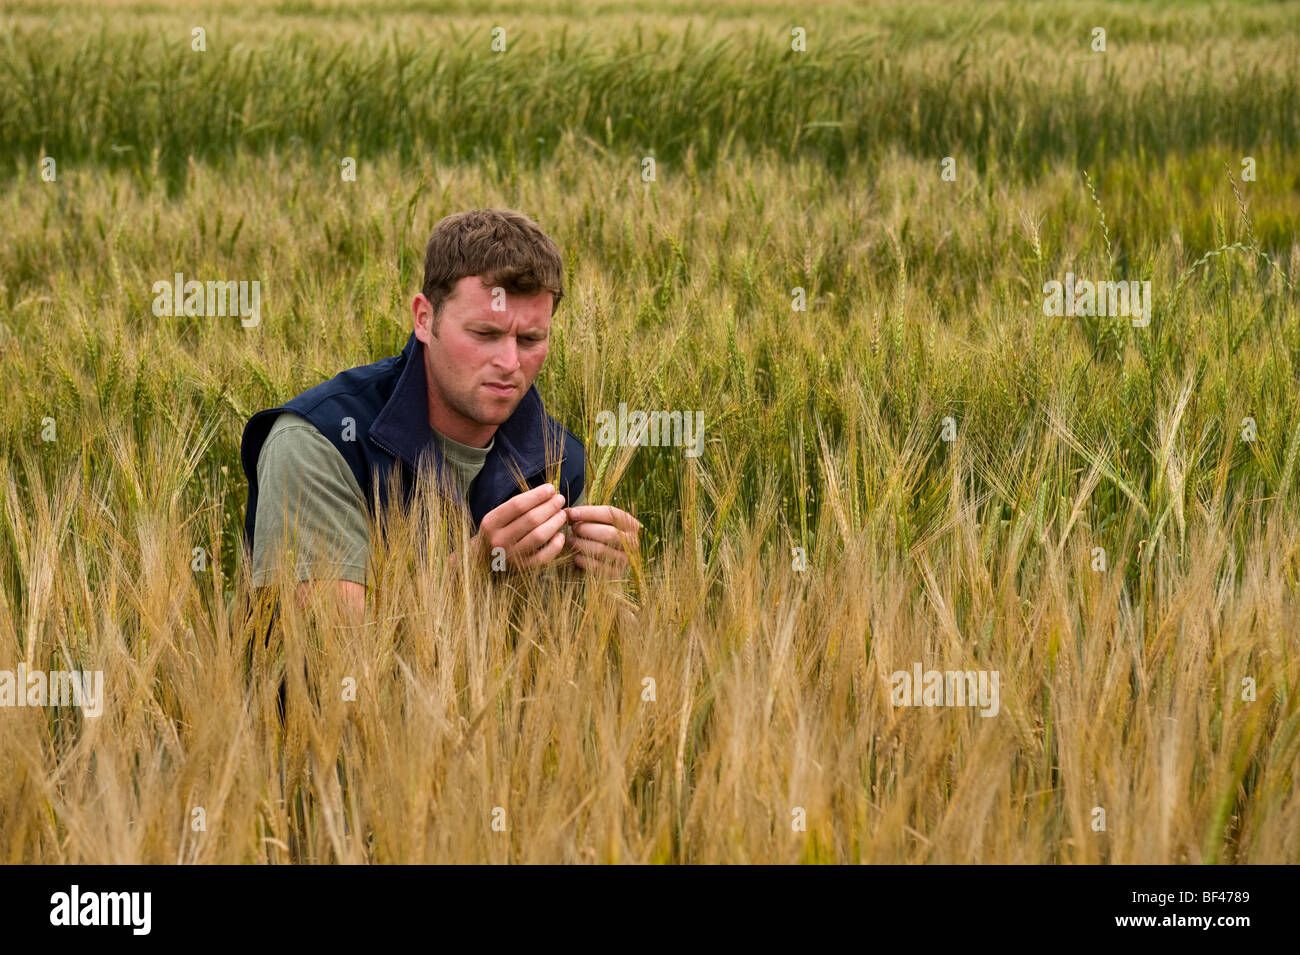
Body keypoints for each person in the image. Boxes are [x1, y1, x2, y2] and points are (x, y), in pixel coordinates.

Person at [240, 208, 641, 620]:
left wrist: (604, 582)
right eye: (485, 334)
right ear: (424, 318)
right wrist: (474, 568)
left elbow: (575, 654)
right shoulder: (321, 442)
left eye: (530, 339)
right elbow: (333, 645)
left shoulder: (560, 458)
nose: (509, 361)